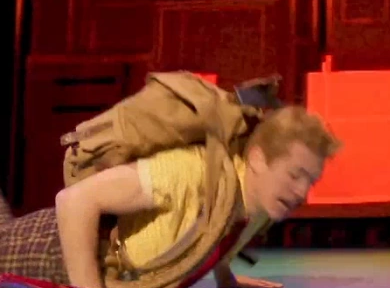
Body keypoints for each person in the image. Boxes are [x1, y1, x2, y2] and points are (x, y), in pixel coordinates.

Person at [1, 105, 340, 288]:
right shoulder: (192, 172)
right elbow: (73, 201)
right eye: (294, 175)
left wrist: (229, 283)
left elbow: (217, 237)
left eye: (310, 181)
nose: (301, 192)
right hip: (53, 251)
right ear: (258, 159)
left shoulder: (261, 202)